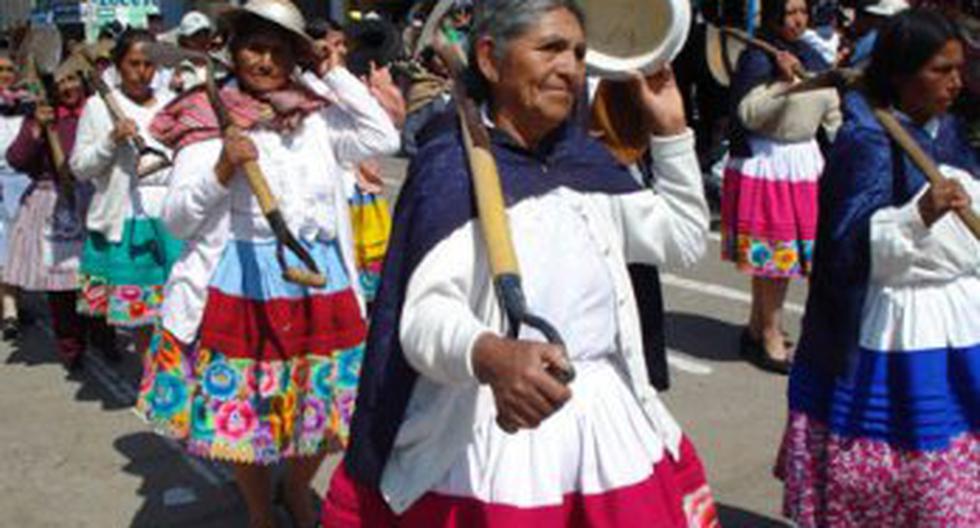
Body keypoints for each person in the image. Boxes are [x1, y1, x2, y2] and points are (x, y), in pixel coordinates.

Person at [323, 1, 719, 526]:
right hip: (497, 435)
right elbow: (422, 320)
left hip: (607, 428)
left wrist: (671, 132)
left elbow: (684, 239)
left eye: (578, 53)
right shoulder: (452, 169)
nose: (571, 67)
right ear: (490, 58)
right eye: (551, 48)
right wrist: (490, 353)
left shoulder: (582, 165)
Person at [136, 1, 399, 527]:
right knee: (251, 417)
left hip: (318, 281)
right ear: (234, 52)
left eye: (281, 50)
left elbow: (383, 138)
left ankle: (298, 487)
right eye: (255, 47)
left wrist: (332, 72)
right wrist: (222, 166)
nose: (265, 60)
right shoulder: (209, 117)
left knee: (324, 407)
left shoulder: (314, 115)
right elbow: (177, 220)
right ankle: (261, 511)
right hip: (243, 287)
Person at [775, 9, 979, 526]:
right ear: (900, 73)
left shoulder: (949, 131)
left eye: (960, 68)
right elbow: (844, 251)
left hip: (961, 320)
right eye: (941, 70)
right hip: (895, 329)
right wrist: (916, 219)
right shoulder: (865, 140)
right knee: (910, 478)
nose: (956, 82)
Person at [720, 0, 841, 373]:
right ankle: (771, 335)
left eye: (802, 11)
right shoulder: (758, 58)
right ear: (773, 16)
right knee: (776, 260)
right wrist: (784, 85)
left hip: (803, 163)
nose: (798, 20)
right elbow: (748, 114)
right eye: (789, 12)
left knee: (777, 259)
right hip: (768, 163)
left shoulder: (812, 56)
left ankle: (758, 327)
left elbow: (831, 110)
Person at [70, 29, 181, 359]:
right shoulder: (98, 107)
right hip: (128, 215)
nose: (142, 71)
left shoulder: (171, 105)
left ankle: (175, 375)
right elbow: (80, 166)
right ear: (118, 65)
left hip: (172, 213)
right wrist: (110, 141)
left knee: (178, 305)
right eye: (134, 63)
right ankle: (151, 376)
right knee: (145, 313)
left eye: (149, 64)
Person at [3, 66, 112, 368]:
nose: (67, 87)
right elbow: (17, 159)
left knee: (96, 276)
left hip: (91, 198)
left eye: (72, 79)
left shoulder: (95, 114)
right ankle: (70, 346)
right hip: (53, 202)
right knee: (61, 284)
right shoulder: (41, 117)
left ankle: (103, 337)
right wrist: (37, 129)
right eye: (61, 81)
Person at [0, 50, 31, 340]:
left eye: (10, 68)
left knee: (19, 248)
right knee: (2, 248)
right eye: (0, 70)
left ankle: (17, 303)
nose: (6, 74)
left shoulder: (25, 104)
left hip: (23, 182)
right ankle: (9, 309)